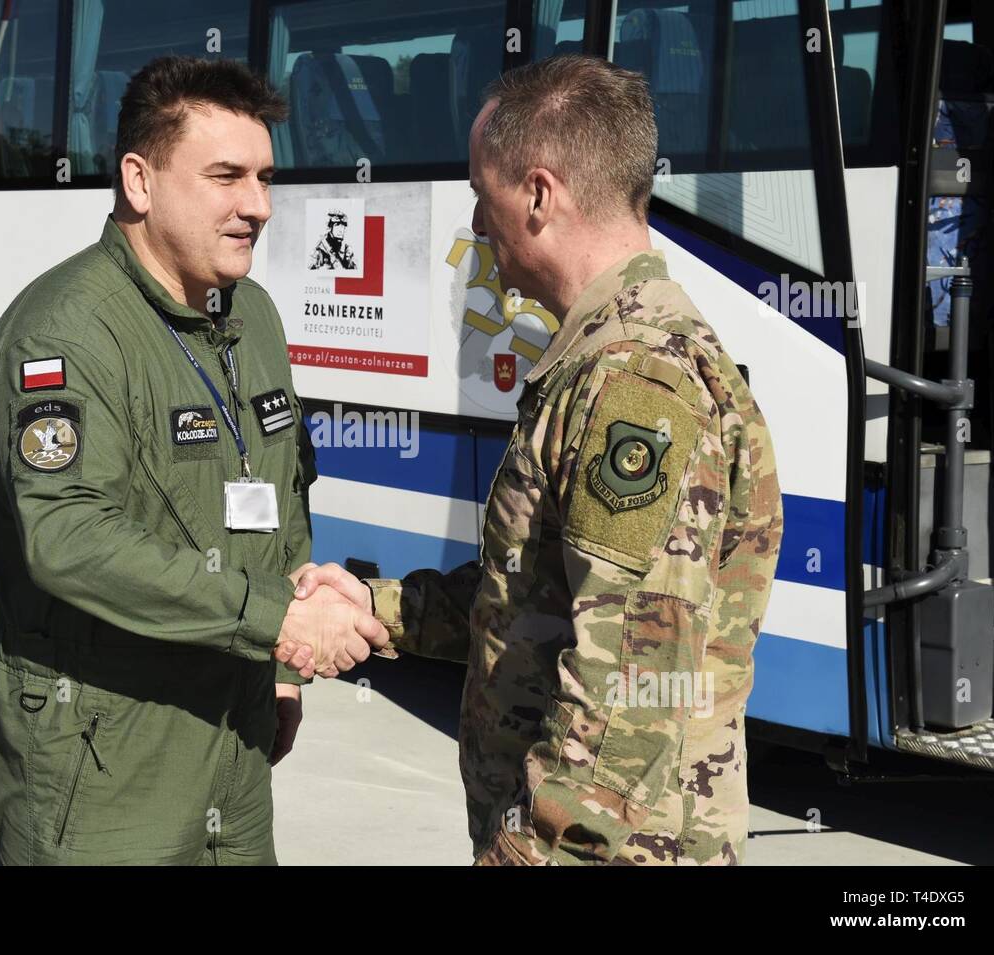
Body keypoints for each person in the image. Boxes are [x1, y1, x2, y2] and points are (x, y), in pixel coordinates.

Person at [287, 54, 783, 865]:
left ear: (540, 196)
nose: (478, 227)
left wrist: (520, 856)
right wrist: (374, 606)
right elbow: (534, 599)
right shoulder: (600, 359)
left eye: (484, 199)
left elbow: (626, 693)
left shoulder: (632, 382)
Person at [0, 56, 386, 866]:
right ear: (140, 179)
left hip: (233, 758)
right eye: (226, 176)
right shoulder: (63, 332)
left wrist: (285, 666)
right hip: (102, 778)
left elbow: (282, 490)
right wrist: (277, 617)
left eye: (265, 178)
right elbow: (70, 538)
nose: (257, 206)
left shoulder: (253, 316)